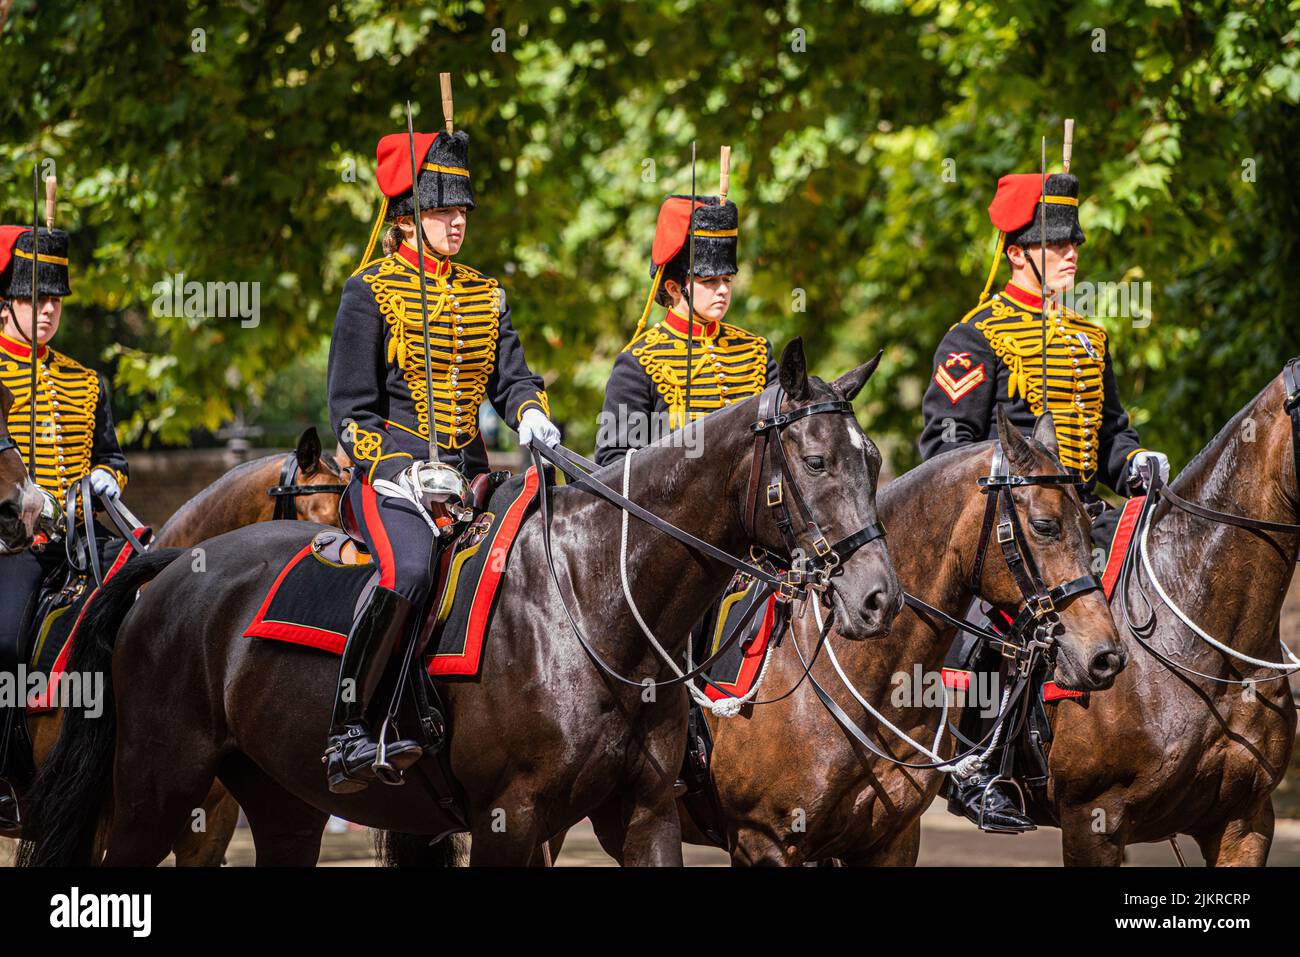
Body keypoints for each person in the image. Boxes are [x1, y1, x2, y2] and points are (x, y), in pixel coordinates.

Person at [918, 170, 1168, 833]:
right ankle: (981, 764)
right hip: (1009, 526)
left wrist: (1136, 460)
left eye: (1073, 241)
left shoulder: (1088, 337)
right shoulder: (975, 338)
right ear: (1016, 251)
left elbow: (1112, 436)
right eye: (1055, 243)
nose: (1071, 252)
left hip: (1087, 517)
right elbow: (944, 449)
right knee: (987, 625)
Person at [323, 118, 560, 793]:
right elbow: (351, 413)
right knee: (412, 573)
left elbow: (511, 378)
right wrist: (404, 471)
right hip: (390, 480)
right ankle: (347, 727)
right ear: (406, 216)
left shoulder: (487, 294)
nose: (457, 222)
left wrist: (532, 414)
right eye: (443, 208)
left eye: (463, 209)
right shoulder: (368, 291)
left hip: (471, 476)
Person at [0, 224, 129, 826]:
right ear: (8, 302)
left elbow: (113, 457)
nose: (47, 309)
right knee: (5, 638)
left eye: (54, 299)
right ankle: (4, 772)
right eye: (33, 298)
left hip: (82, 540)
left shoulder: (85, 380)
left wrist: (104, 478)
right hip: (13, 546)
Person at [595, 192, 775, 467]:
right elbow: (614, 463)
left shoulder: (757, 353)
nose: (723, 290)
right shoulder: (638, 362)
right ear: (674, 288)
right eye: (710, 281)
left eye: (727, 279)